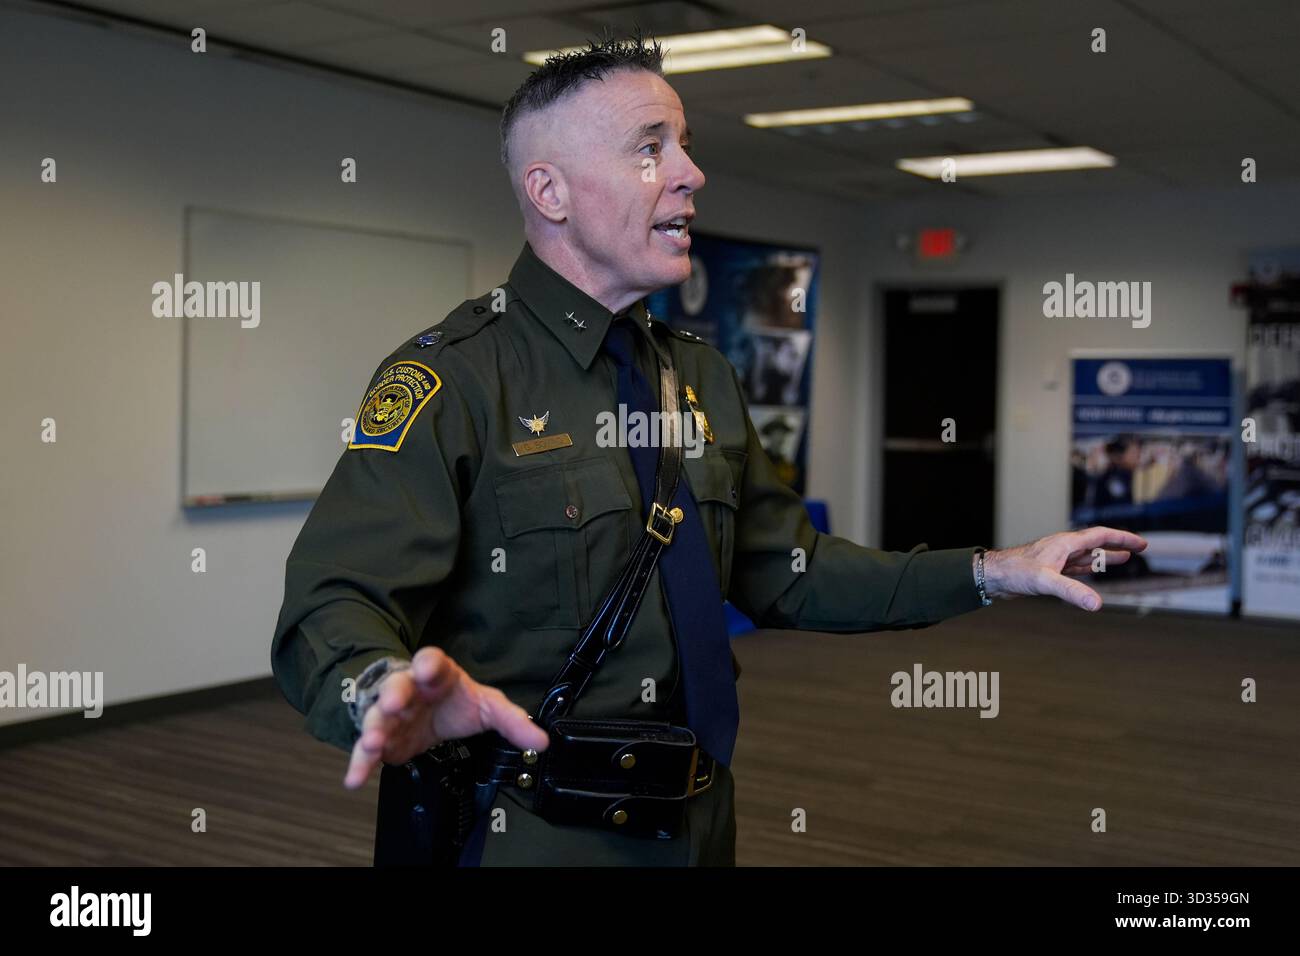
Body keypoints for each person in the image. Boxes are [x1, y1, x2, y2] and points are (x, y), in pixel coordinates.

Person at [270, 34, 1147, 867]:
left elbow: (789, 571)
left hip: (697, 820)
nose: (692, 174)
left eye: (683, 144)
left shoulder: (696, 377)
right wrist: (376, 687)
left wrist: (998, 568)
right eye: (650, 148)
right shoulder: (455, 382)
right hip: (531, 830)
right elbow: (331, 602)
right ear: (551, 191)